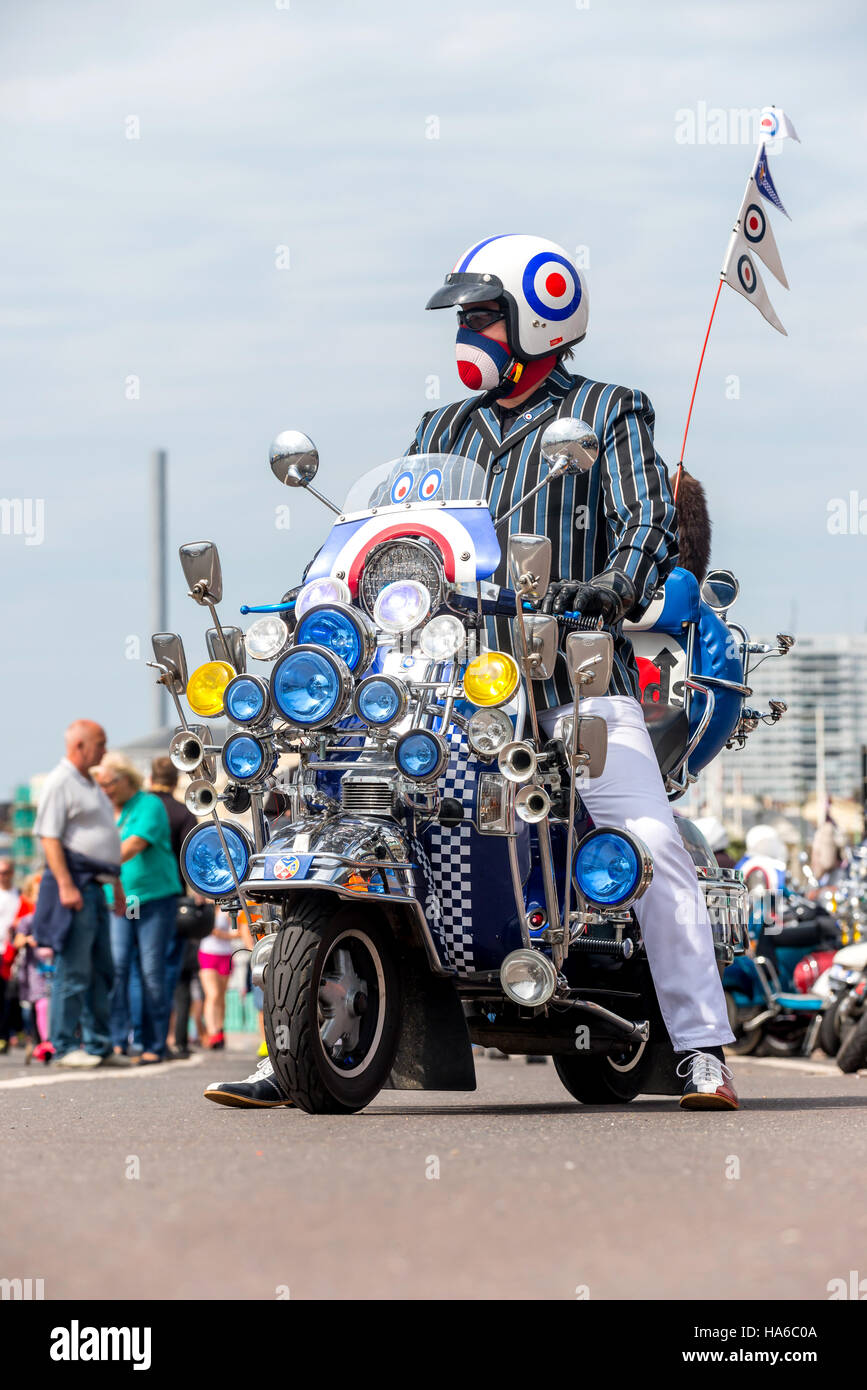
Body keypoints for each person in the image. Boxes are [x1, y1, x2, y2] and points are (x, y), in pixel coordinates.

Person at [206, 232, 737, 1111]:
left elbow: (647, 522)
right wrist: (313, 590)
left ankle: (699, 1049)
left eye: (483, 314)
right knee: (326, 802)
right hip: (432, 680)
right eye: (467, 316)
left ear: (539, 316)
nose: (470, 332)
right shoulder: (440, 427)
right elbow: (385, 532)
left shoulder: (608, 412)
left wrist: (607, 587)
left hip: (567, 670)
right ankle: (297, 1041)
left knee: (646, 845)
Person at [31, 719, 127, 1067]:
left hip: (96, 887)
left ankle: (99, 1046)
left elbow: (104, 840)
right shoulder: (61, 782)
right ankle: (63, 1046)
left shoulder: (89, 784)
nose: (105, 749)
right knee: (73, 970)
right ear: (80, 746)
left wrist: (115, 885)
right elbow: (49, 837)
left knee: (102, 969)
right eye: (100, 743)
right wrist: (67, 885)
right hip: (74, 887)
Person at [95, 753, 181, 1064]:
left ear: (126, 779)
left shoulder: (149, 805)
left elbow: (132, 846)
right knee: (117, 967)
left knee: (151, 971)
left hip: (154, 898)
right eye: (100, 785)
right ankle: (118, 1040)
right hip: (119, 901)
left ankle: (154, 1043)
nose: (104, 790)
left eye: (108, 783)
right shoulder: (104, 809)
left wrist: (93, 864)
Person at [148, 757, 197, 1049]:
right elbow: (193, 857)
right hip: (173, 899)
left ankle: (142, 1038)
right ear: (176, 780)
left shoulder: (138, 810)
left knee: (139, 966)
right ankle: (173, 1039)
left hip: (135, 898)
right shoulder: (182, 812)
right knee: (173, 970)